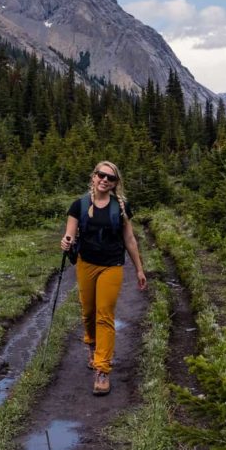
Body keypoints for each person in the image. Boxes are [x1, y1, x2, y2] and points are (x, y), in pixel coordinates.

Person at [61, 160, 147, 395]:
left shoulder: (121, 208)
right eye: (101, 175)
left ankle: (102, 369)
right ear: (94, 177)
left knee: (104, 315)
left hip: (112, 266)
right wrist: (66, 242)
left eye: (111, 178)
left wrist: (139, 269)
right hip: (86, 264)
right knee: (88, 312)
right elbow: (69, 235)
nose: (105, 180)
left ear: (116, 183)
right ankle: (92, 345)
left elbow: (129, 240)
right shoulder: (78, 205)